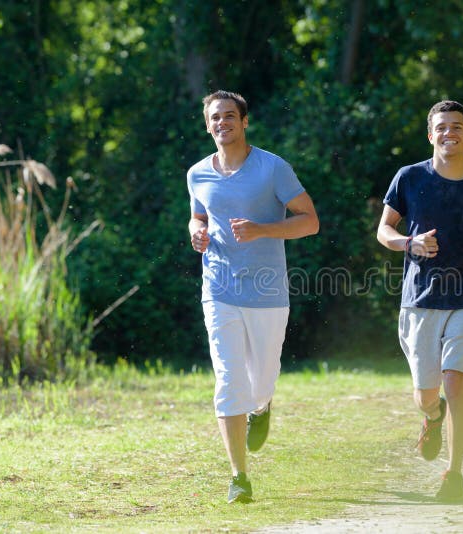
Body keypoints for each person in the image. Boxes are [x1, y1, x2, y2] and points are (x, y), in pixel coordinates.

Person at [187, 90, 319, 503]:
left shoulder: (272, 168)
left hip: (267, 293)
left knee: (260, 383)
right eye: (215, 117)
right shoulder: (197, 174)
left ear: (245, 122)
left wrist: (263, 229)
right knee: (228, 380)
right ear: (207, 125)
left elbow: (309, 221)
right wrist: (194, 230)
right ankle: (239, 477)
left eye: (230, 116)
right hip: (219, 289)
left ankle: (262, 408)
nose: (222, 122)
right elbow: (198, 214)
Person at [376, 100, 463, 501]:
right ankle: (432, 418)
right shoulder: (409, 178)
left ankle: (454, 474)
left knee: (456, 383)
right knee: (428, 395)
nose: (449, 133)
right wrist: (408, 243)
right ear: (430, 134)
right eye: (441, 127)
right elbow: (384, 230)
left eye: (456, 127)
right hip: (420, 298)